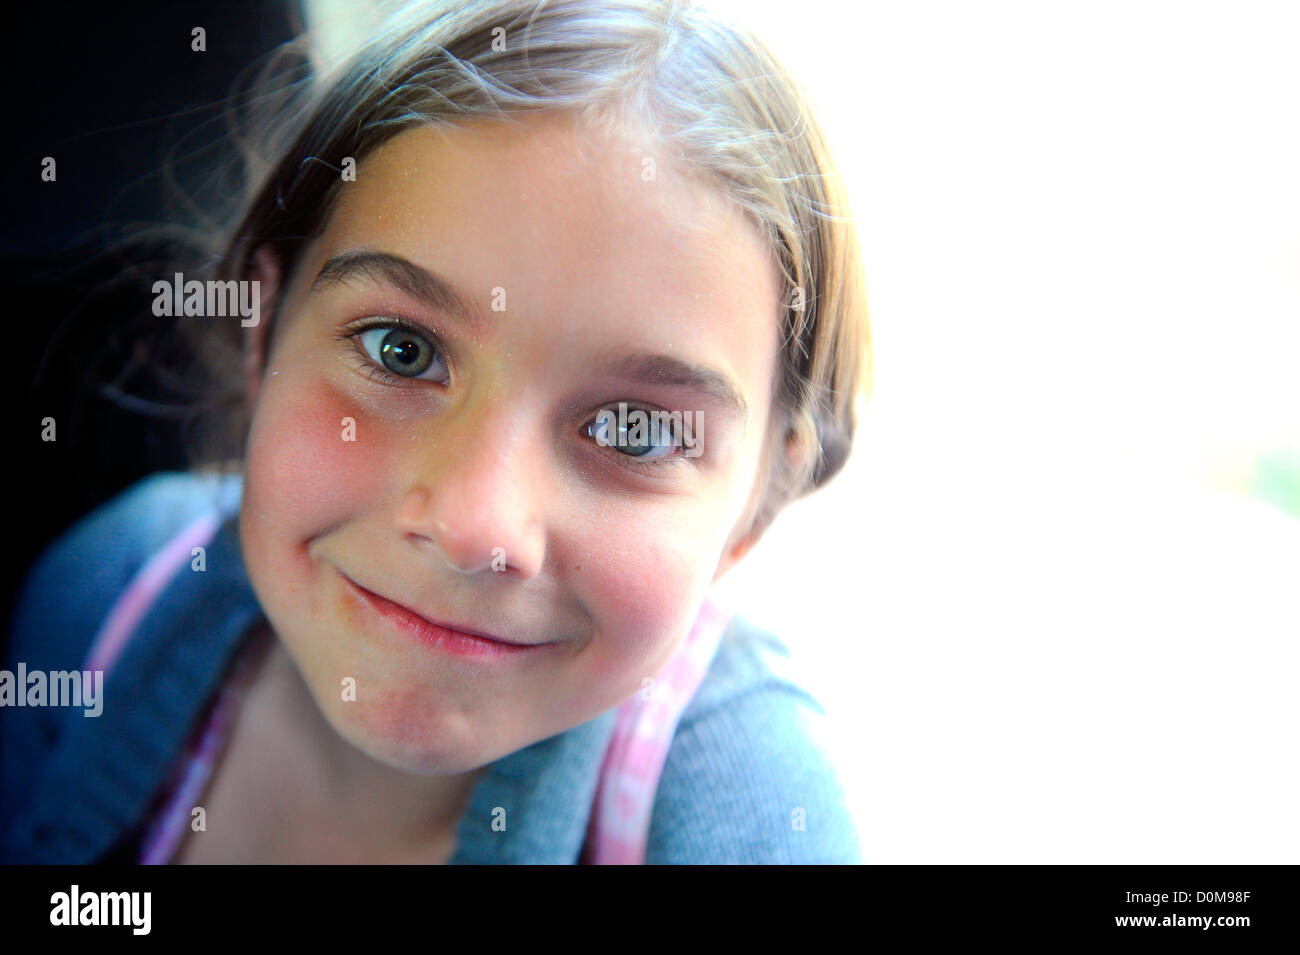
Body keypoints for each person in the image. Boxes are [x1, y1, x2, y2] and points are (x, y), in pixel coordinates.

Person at [2, 0, 871, 864]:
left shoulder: (744, 803)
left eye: (636, 430)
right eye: (402, 350)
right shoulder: (108, 594)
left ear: (757, 505)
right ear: (265, 334)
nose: (474, 527)